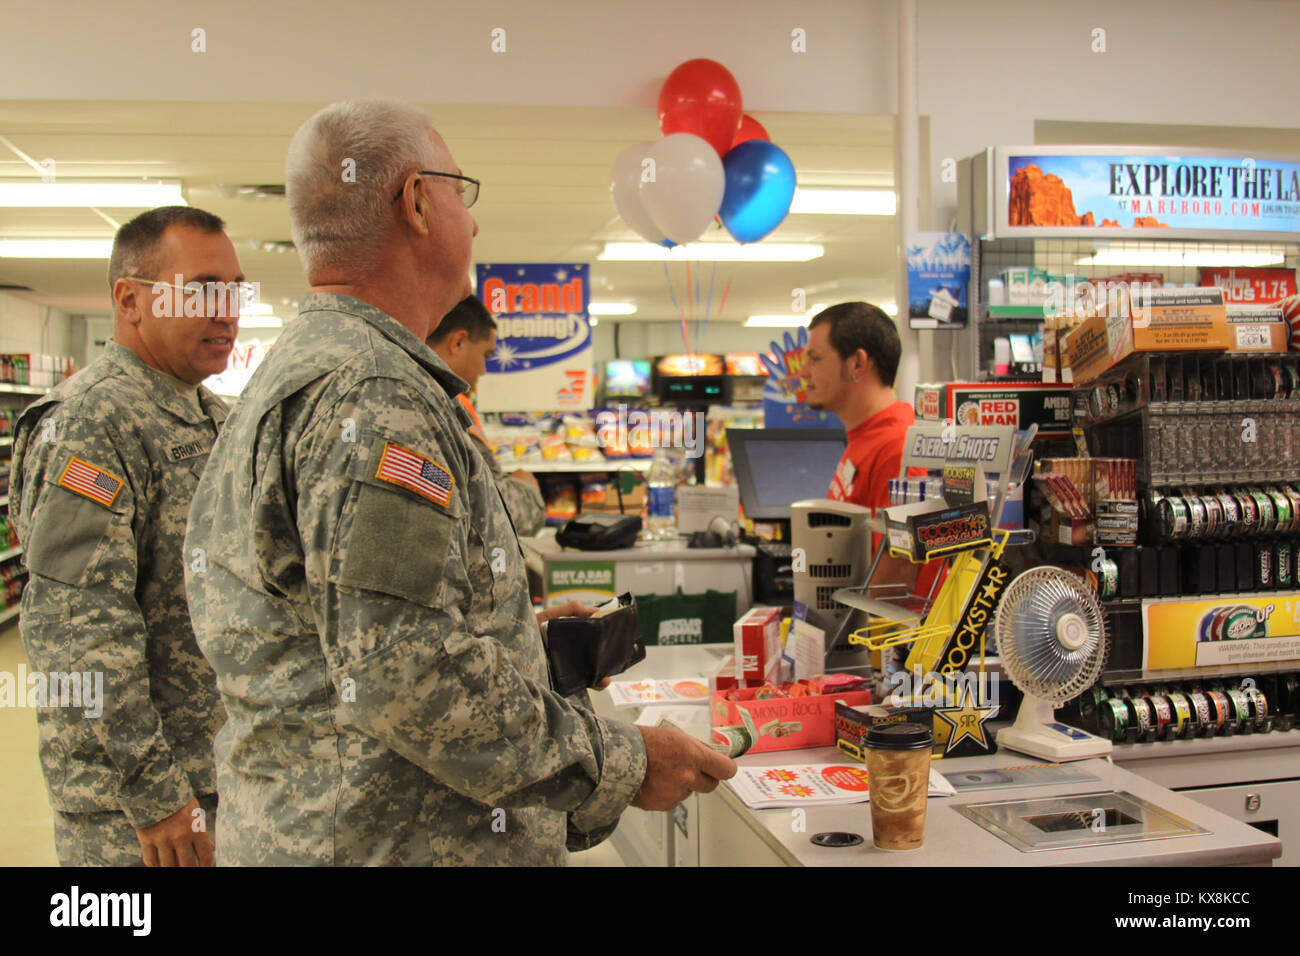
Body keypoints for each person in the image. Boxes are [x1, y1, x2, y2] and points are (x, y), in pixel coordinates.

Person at [184, 98, 734, 866]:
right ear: (414, 202)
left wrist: (517, 631)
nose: (472, 224)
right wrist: (625, 763)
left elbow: (339, 634)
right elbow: (403, 671)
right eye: (459, 192)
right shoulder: (374, 394)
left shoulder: (300, 369)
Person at [9, 206, 243, 866]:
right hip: (139, 809)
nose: (225, 311)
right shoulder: (90, 421)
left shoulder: (210, 417)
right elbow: (77, 628)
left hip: (218, 775)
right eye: (202, 290)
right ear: (130, 299)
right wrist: (153, 794)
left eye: (233, 290)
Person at [803, 301, 919, 587]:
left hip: (881, 631)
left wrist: (845, 629)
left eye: (815, 359)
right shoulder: (867, 435)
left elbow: (896, 575)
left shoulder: (898, 446)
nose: (804, 373)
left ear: (857, 363)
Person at [428, 294, 546, 535]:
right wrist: (526, 489)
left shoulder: (420, 397)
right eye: (486, 355)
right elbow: (493, 509)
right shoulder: (444, 409)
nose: (483, 370)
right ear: (458, 342)